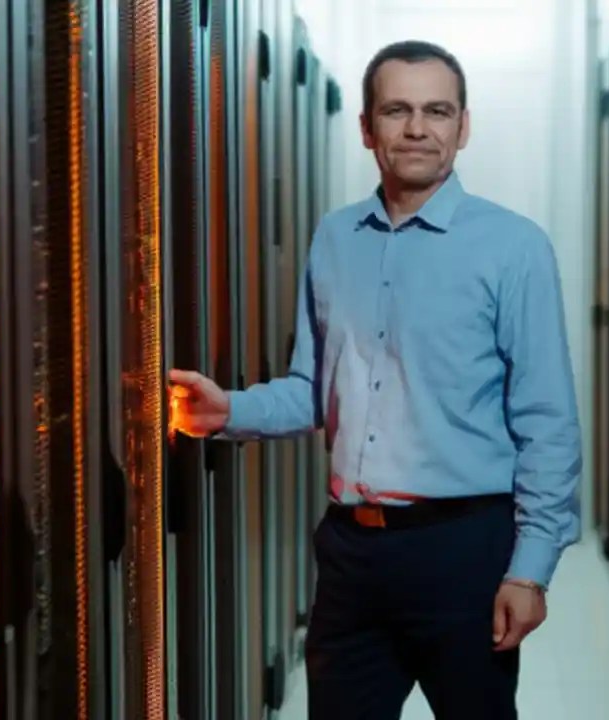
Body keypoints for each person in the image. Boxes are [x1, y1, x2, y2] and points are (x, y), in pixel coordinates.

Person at [167, 39, 581, 719]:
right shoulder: (335, 239)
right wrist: (227, 411)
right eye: (397, 110)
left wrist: (529, 570)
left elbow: (548, 423)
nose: (418, 128)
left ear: (463, 126)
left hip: (466, 554)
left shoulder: (514, 247)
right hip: (352, 556)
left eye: (437, 111)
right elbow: (314, 388)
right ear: (367, 127)